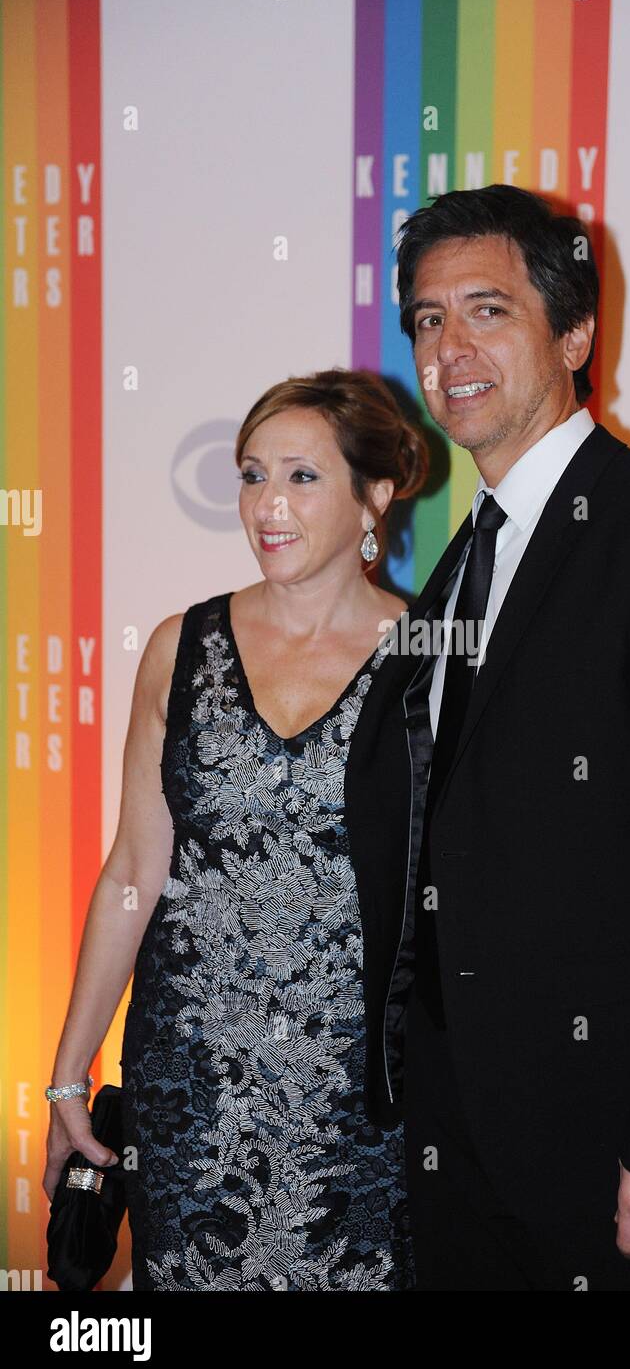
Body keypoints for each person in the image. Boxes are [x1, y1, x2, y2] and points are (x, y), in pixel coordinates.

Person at [345, 185, 630, 1291]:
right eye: (426, 319)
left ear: (576, 333)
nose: (448, 347)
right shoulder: (458, 564)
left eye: (486, 311)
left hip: (624, 1155)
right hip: (461, 1146)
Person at [44, 368, 428, 1291]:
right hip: (190, 1086)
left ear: (374, 493)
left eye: (301, 477)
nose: (268, 505)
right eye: (252, 475)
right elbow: (134, 870)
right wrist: (67, 1075)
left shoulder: (428, 659)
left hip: (358, 1100)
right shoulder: (182, 647)